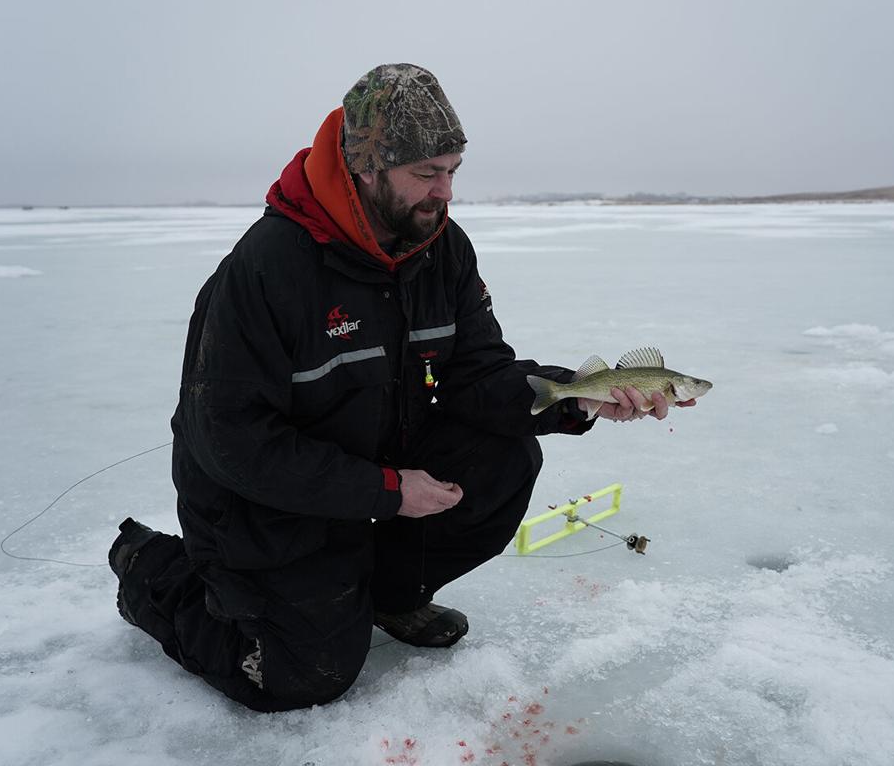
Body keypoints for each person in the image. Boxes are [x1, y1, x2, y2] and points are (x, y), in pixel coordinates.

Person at [108, 63, 689, 712]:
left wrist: (577, 394)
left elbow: (477, 374)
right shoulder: (268, 269)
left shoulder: (442, 249)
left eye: (452, 171)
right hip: (264, 504)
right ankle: (151, 570)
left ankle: (388, 596)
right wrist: (385, 492)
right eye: (425, 173)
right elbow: (232, 443)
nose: (444, 192)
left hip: (370, 476)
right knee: (304, 676)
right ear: (368, 168)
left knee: (506, 456)